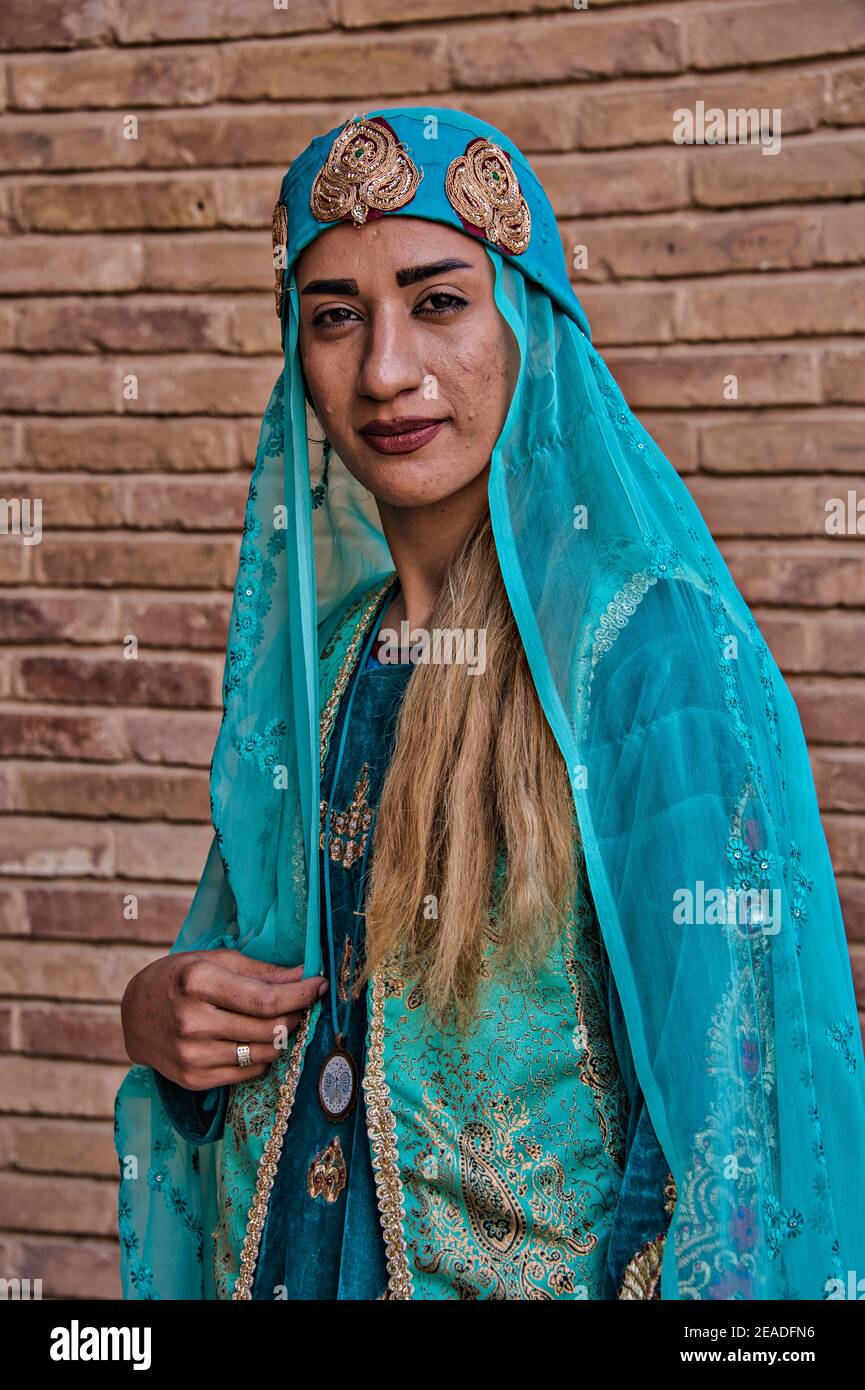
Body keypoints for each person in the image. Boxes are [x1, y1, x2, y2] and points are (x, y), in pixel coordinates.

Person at [115, 106, 865, 1301]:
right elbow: (260, 988)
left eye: (440, 301)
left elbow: (730, 1127)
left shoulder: (640, 655)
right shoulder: (327, 656)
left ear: (524, 319)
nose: (385, 371)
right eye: (334, 319)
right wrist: (162, 1016)